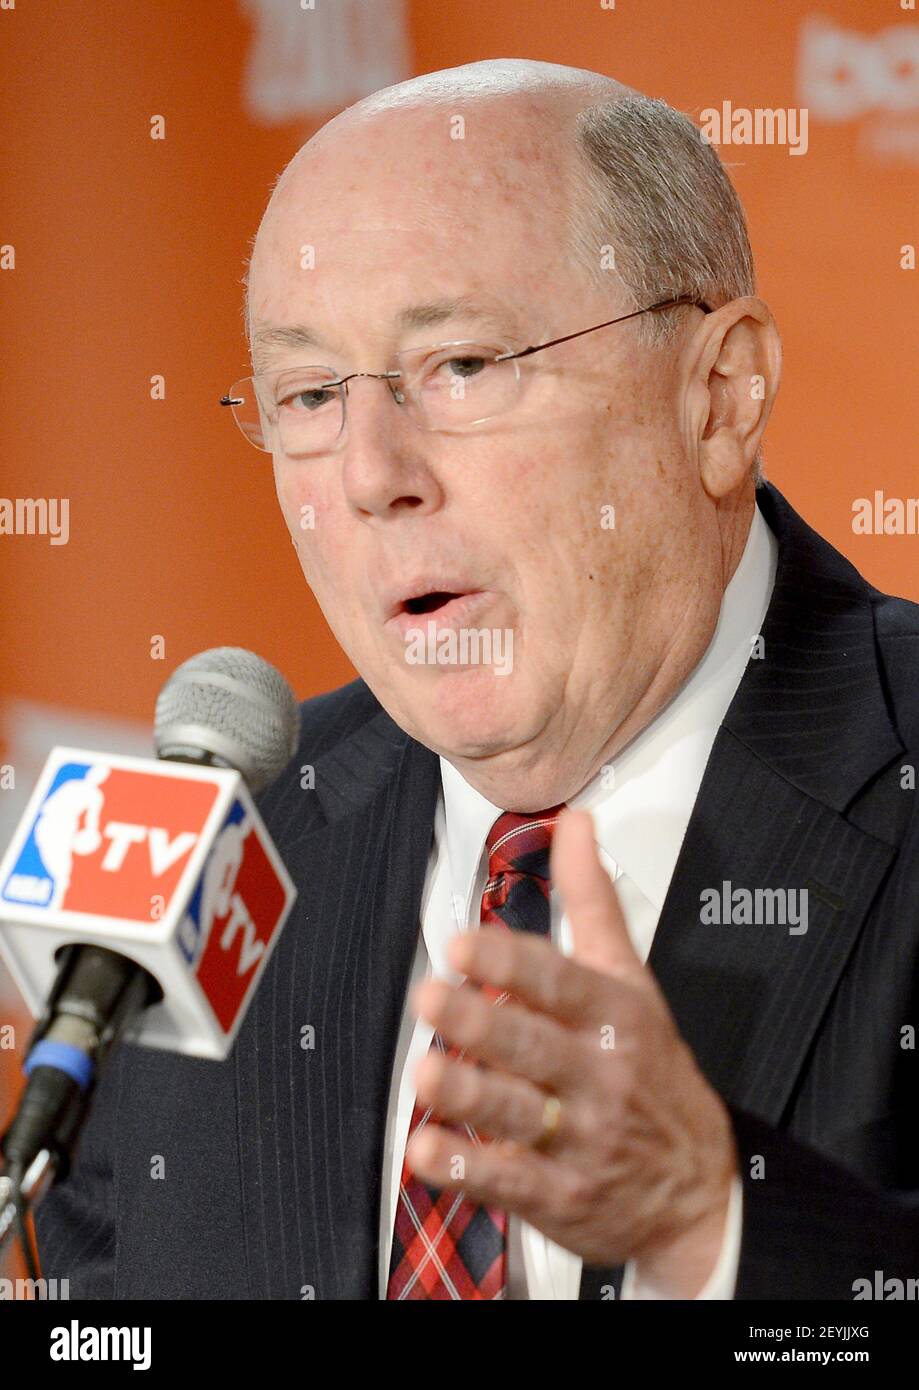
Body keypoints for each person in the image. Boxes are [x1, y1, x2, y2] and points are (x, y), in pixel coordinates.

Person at [35, 58, 919, 1300]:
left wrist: (711, 1225)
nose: (369, 471)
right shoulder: (221, 862)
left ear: (716, 397)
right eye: (310, 394)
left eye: (458, 366)